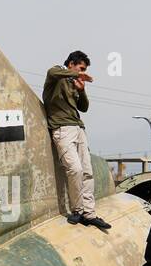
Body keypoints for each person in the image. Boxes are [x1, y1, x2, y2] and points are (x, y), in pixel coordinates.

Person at [43, 50, 110, 230]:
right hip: (62, 129)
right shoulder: (57, 74)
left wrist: (82, 90)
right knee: (75, 169)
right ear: (71, 64)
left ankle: (89, 214)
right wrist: (77, 74)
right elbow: (52, 72)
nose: (82, 72)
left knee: (87, 171)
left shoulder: (74, 82)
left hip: (78, 128)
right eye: (80, 68)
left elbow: (84, 107)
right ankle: (77, 210)